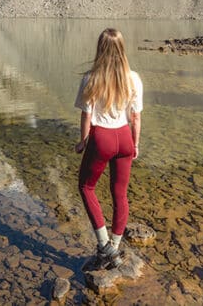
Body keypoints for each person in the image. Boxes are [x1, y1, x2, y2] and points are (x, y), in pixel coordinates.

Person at [74, 27, 142, 269]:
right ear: (122, 49)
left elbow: (86, 115)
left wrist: (83, 141)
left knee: (86, 186)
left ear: (100, 49)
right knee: (119, 193)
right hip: (124, 136)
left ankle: (103, 245)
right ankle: (115, 244)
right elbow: (135, 117)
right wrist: (135, 145)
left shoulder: (91, 78)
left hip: (101, 137)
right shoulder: (133, 78)